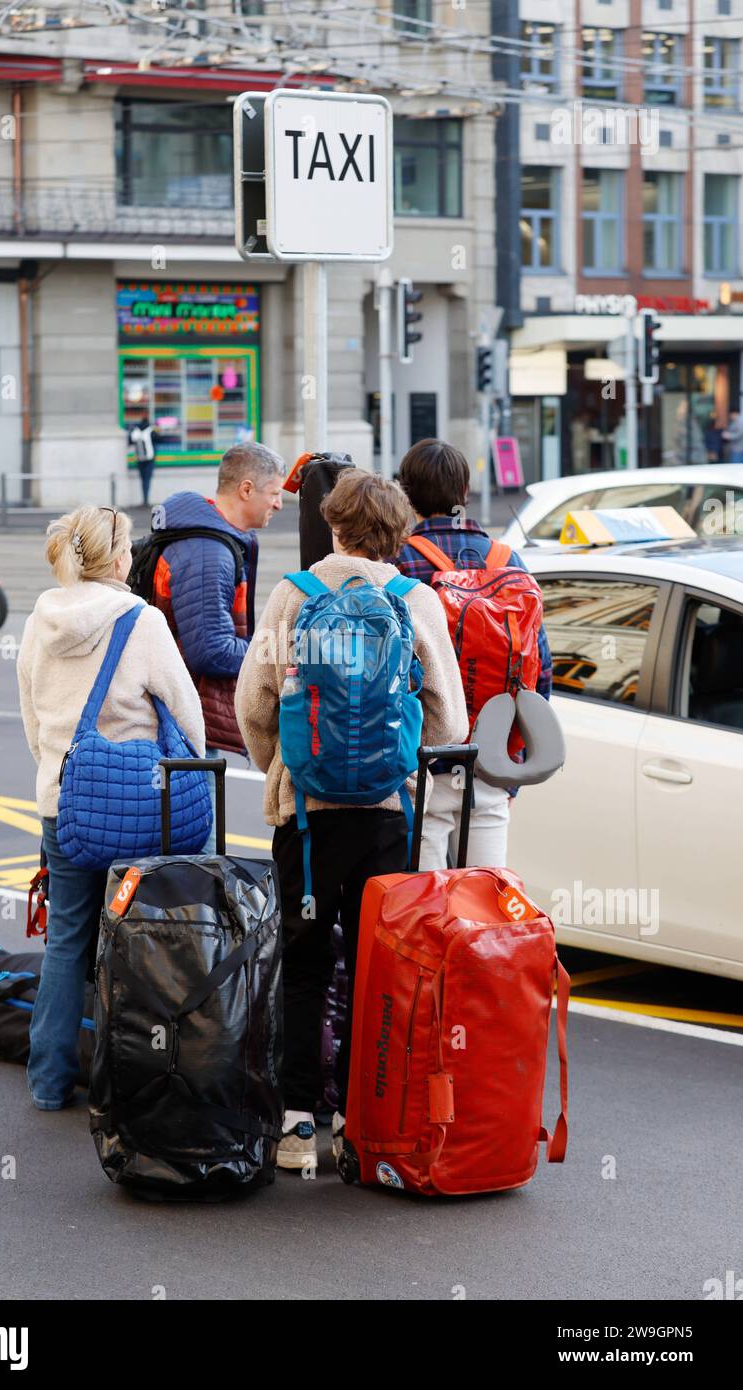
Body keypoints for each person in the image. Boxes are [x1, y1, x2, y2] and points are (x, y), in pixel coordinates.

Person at [236, 469, 467, 1174]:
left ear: (333, 525)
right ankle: (363, 1123)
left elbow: (255, 702)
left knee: (303, 963)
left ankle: (297, 1124)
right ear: (397, 535)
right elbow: (449, 719)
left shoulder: (294, 594)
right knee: (374, 969)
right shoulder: (415, 600)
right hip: (385, 818)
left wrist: (285, 766)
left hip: (306, 820)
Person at [17, 505, 205, 1111]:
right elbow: (187, 715)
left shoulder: (40, 619)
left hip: (63, 804)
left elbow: (31, 715)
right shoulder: (141, 620)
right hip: (137, 808)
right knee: (137, 941)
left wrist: (57, 773)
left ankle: (49, 1082)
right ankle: (127, 1083)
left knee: (66, 940)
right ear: (120, 558)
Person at [395, 438, 554, 870]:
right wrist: (511, 768)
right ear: (465, 492)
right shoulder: (508, 560)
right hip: (490, 761)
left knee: (426, 901)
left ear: (407, 496)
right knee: (484, 896)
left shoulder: (400, 562)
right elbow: (539, 670)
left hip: (423, 765)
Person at [150, 442, 285, 850]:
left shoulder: (215, 541)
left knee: (189, 849)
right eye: (274, 493)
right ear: (246, 489)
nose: (279, 504)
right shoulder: (210, 554)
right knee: (199, 857)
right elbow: (210, 650)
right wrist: (274, 652)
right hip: (191, 721)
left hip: (188, 715)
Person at [129, 415, 157, 507]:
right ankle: (146, 500)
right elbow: (159, 439)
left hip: (140, 460)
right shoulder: (151, 430)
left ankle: (145, 500)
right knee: (147, 480)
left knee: (143, 480)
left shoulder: (136, 431)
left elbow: (130, 441)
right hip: (149, 460)